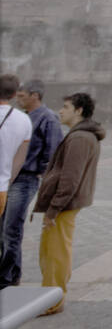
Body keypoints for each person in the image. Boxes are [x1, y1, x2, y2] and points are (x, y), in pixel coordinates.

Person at [33, 91, 106, 315]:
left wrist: (53, 209)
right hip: (64, 205)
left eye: (66, 106)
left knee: (56, 253)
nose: (61, 111)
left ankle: (53, 299)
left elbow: (70, 178)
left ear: (79, 110)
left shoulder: (80, 138)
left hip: (64, 206)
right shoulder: (80, 135)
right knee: (52, 251)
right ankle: (51, 295)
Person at [0, 80, 62, 288]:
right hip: (10, 178)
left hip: (26, 178)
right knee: (4, 228)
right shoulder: (22, 117)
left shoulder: (48, 118)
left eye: (22, 95)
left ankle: (8, 275)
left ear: (35, 95)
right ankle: (9, 270)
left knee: (11, 228)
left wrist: (44, 178)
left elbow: (53, 153)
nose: (18, 98)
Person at [0, 74, 32, 228]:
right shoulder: (24, 120)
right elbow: (19, 159)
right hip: (2, 187)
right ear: (14, 94)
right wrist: (7, 180)